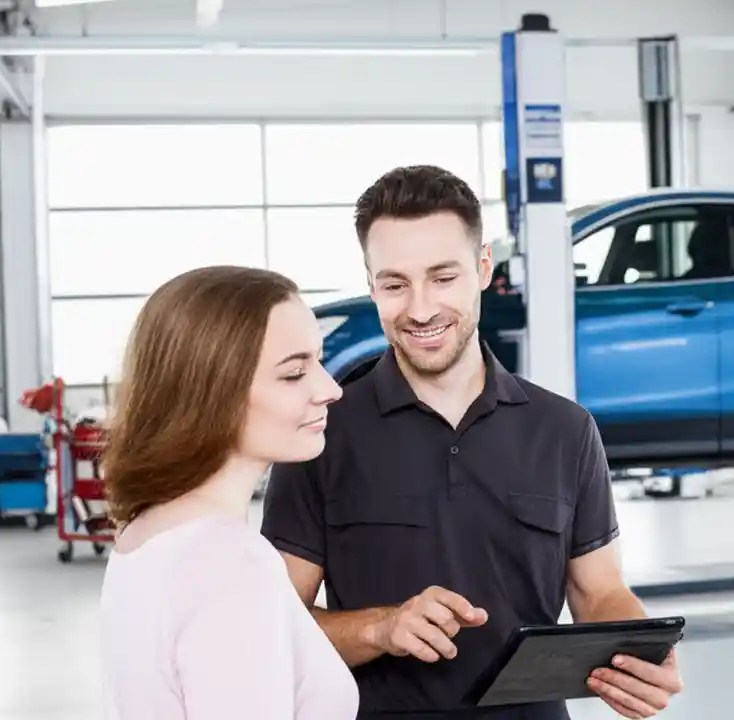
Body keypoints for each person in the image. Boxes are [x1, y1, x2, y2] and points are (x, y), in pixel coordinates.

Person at [261, 166, 684, 719]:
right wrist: (380, 627)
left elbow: (598, 592)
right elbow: (276, 625)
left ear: (483, 267)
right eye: (394, 284)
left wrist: (639, 651)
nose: (420, 308)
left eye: (443, 277)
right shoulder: (322, 430)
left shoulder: (564, 431)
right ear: (371, 285)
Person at [98, 265, 359, 720]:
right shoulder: (228, 561)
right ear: (212, 392)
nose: (330, 388)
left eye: (318, 361)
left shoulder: (144, 534)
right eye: (295, 373)